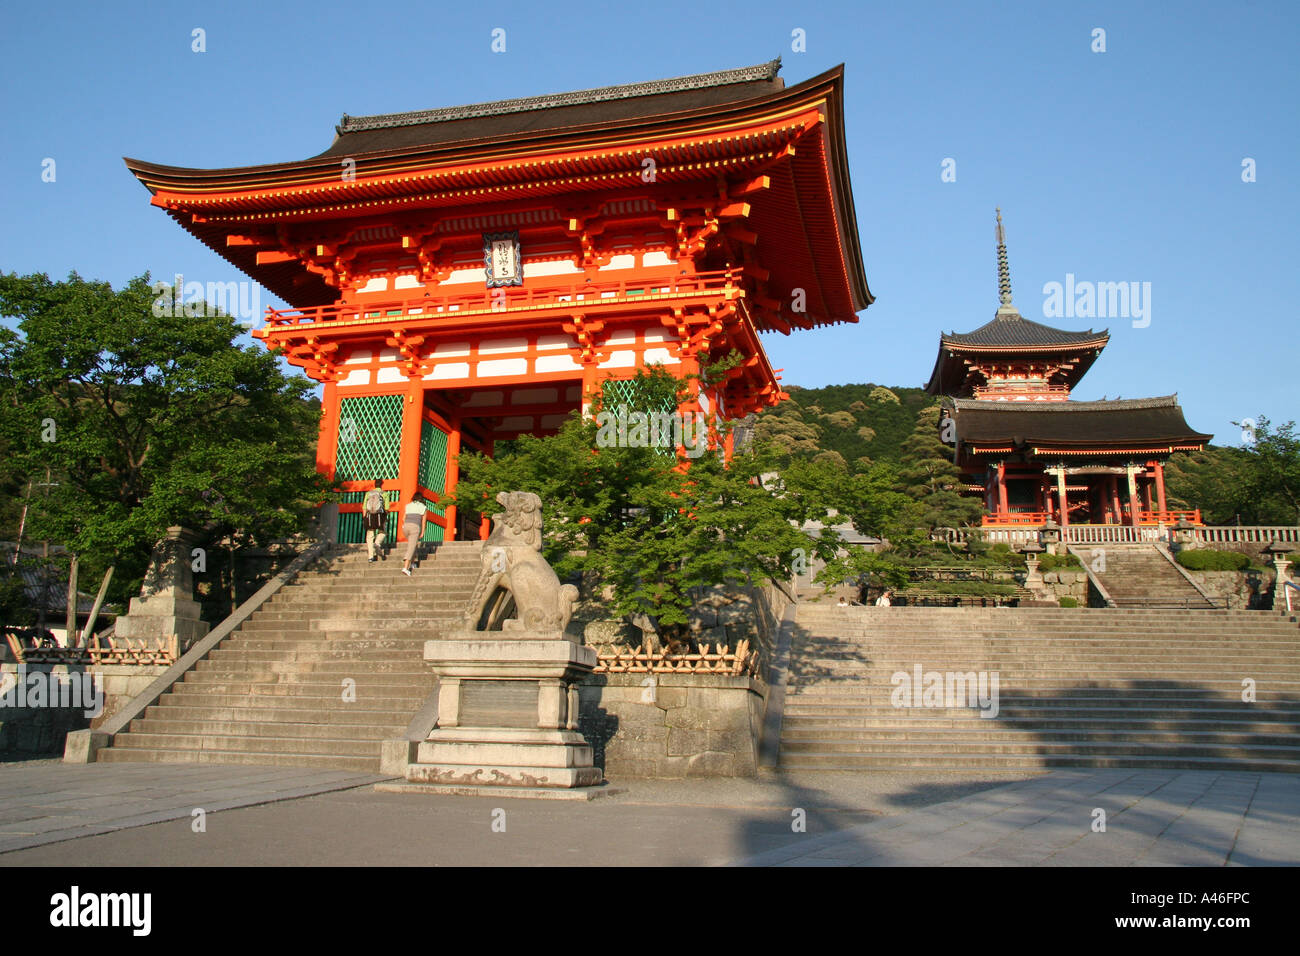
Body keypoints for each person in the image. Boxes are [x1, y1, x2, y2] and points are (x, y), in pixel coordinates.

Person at [400, 493, 429, 576]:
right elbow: (423, 522)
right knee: (411, 547)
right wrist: (422, 532)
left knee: (413, 544)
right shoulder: (423, 507)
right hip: (415, 527)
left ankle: (412, 563)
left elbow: (403, 518)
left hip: (405, 526)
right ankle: (405, 568)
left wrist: (404, 525)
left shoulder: (408, 506)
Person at [363, 480, 388, 562]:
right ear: (382, 485)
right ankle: (377, 543)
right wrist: (386, 516)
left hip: (370, 516)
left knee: (370, 536)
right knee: (383, 532)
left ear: (375, 485)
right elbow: (387, 508)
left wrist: (364, 517)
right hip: (380, 516)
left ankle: (370, 556)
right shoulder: (384, 494)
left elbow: (364, 507)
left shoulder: (368, 493)